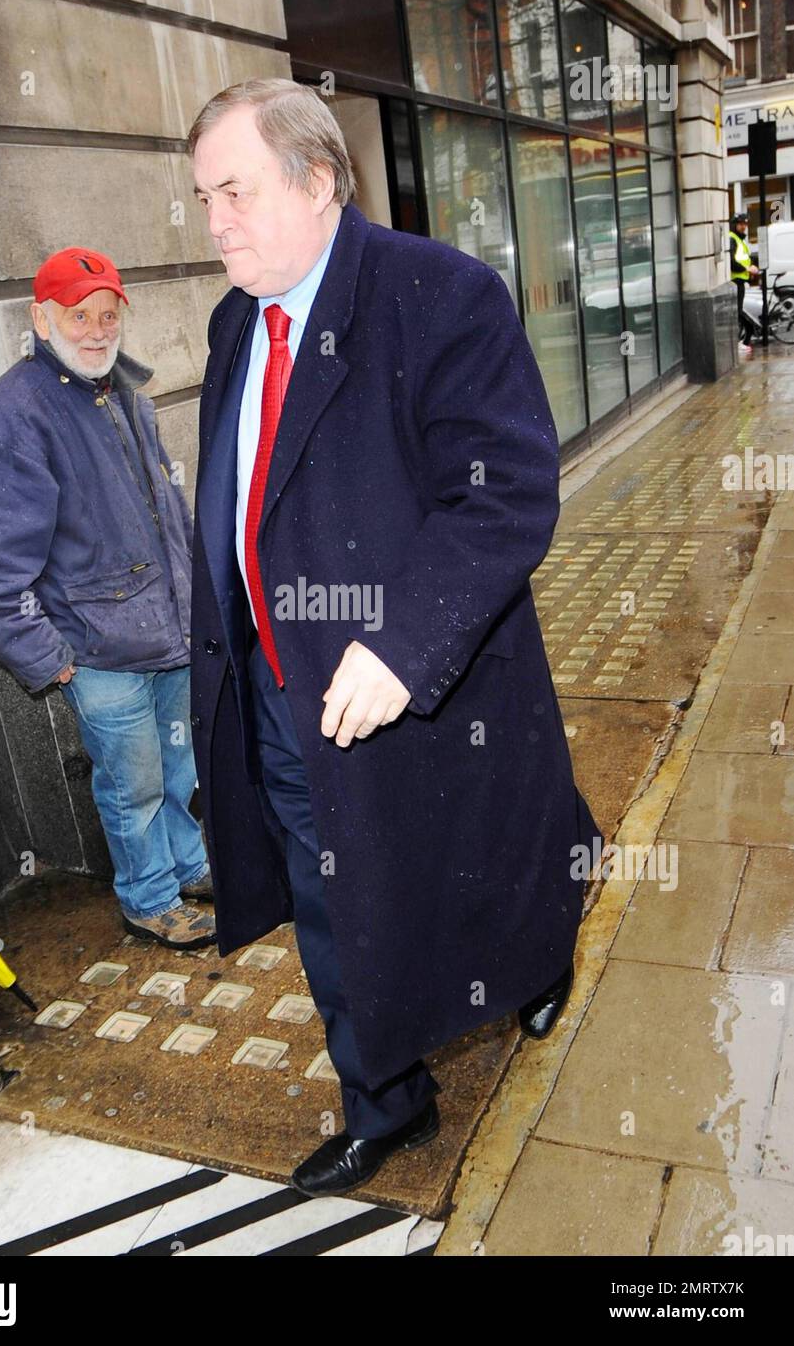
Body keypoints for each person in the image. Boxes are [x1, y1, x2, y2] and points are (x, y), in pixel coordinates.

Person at [187, 78, 602, 1197]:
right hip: (287, 696)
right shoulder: (235, 322)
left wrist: (400, 643)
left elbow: (505, 490)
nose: (214, 221)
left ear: (317, 181)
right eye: (202, 198)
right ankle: (386, 1102)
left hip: (426, 684)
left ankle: (538, 955)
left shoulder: (439, 294)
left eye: (235, 191)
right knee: (336, 905)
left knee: (487, 863)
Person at [0, 247, 216, 952]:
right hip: (96, 651)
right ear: (42, 318)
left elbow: (169, 512)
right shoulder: (16, 409)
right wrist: (50, 659)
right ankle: (150, 899)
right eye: (78, 315)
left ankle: (188, 867)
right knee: (132, 786)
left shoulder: (126, 391)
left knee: (178, 768)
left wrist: (198, 606)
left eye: (107, 315)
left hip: (168, 633)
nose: (96, 329)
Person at [730, 212, 758, 351]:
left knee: (738, 311)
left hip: (740, 280)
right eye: (741, 224)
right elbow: (732, 262)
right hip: (735, 281)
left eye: (745, 224)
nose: (744, 227)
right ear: (735, 224)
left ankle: (745, 340)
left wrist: (750, 269)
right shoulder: (732, 238)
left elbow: (744, 258)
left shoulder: (740, 240)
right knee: (737, 312)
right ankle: (741, 340)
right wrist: (747, 268)